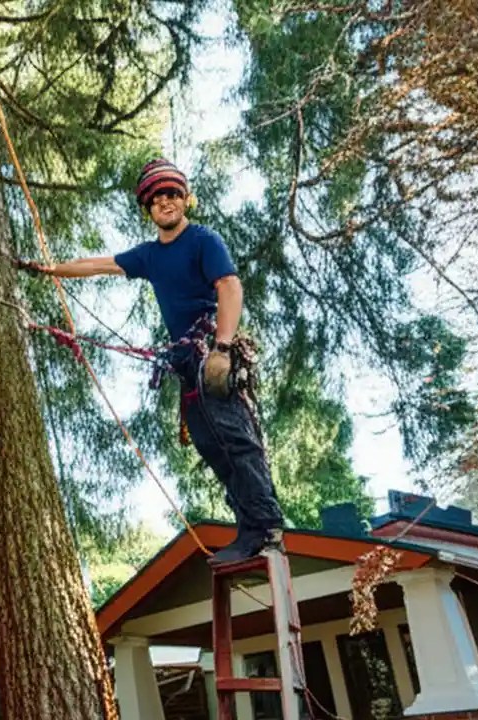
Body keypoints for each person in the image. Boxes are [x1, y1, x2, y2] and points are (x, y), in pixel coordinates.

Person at [16, 158, 284, 564]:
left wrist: (222, 350)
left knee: (235, 439)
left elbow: (229, 285)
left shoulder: (202, 240)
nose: (166, 201)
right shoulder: (148, 256)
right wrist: (48, 269)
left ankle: (266, 528)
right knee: (211, 444)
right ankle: (249, 529)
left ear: (186, 200)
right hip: (186, 361)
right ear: (148, 208)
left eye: (173, 193)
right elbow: (97, 265)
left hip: (211, 352)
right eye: (157, 197)